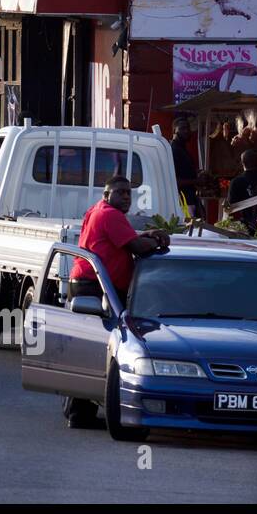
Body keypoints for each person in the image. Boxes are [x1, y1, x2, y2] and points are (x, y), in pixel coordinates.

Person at [63, 176, 170, 429]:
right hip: (95, 287)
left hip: (91, 285)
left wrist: (147, 234)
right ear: (106, 194)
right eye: (120, 192)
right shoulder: (110, 214)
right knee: (104, 346)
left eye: (128, 193)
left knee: (91, 346)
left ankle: (80, 410)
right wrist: (155, 241)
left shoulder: (100, 211)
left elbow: (126, 240)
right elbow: (138, 247)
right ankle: (81, 411)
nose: (125, 197)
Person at [171, 117, 200, 217]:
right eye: (182, 128)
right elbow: (174, 181)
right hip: (183, 202)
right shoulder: (174, 150)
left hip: (189, 199)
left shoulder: (182, 149)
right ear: (174, 130)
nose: (186, 131)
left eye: (188, 128)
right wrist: (197, 181)